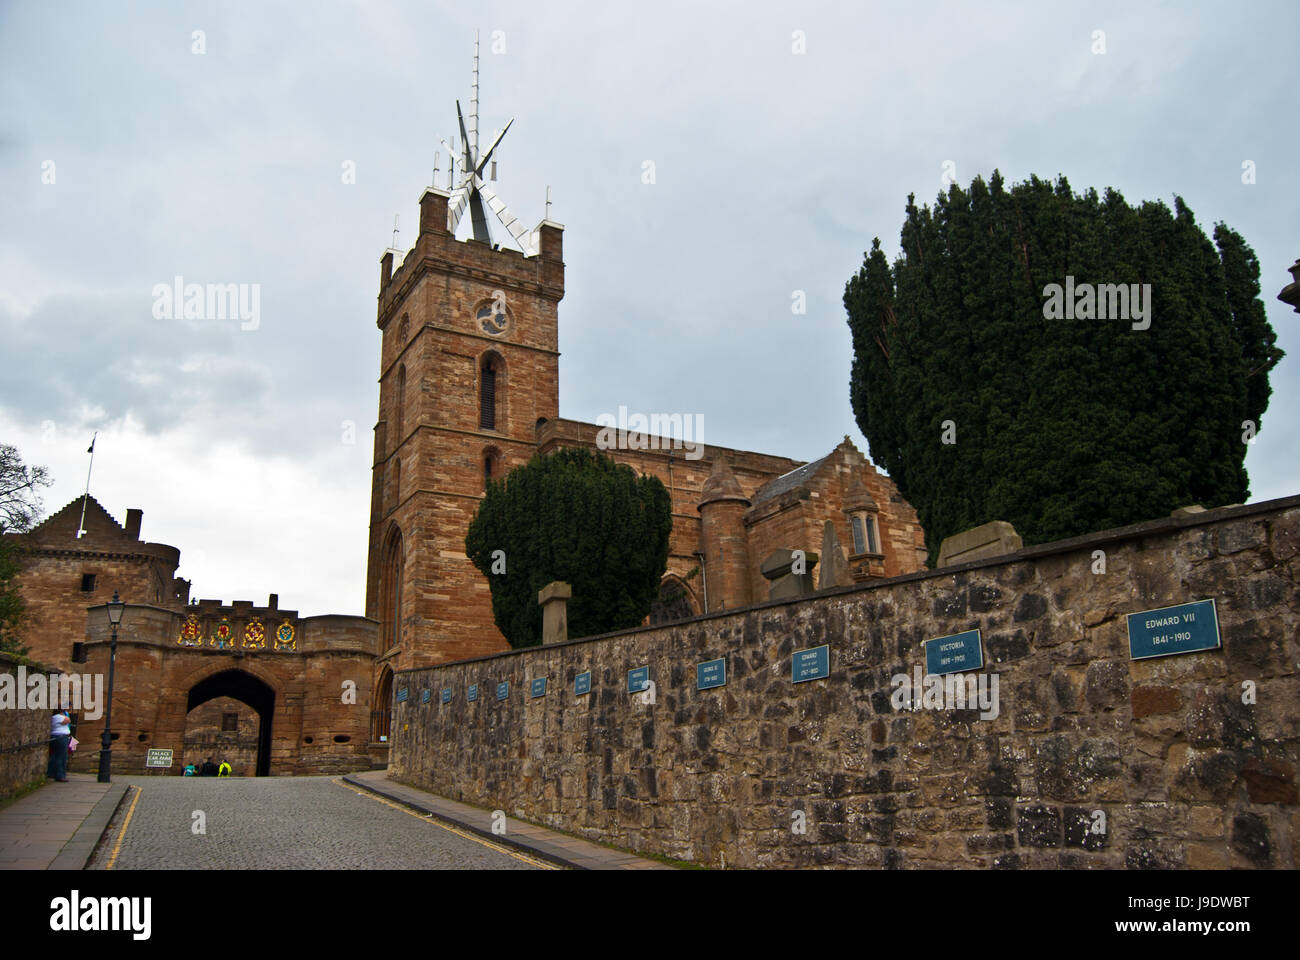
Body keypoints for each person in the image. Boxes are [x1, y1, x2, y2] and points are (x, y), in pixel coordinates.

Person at [47, 708, 72, 782]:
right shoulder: (58, 717)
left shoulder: (54, 717)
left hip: (56, 737)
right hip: (61, 737)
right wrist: (65, 715)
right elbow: (68, 720)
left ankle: (51, 773)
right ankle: (60, 775)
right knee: (62, 757)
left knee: (54, 756)